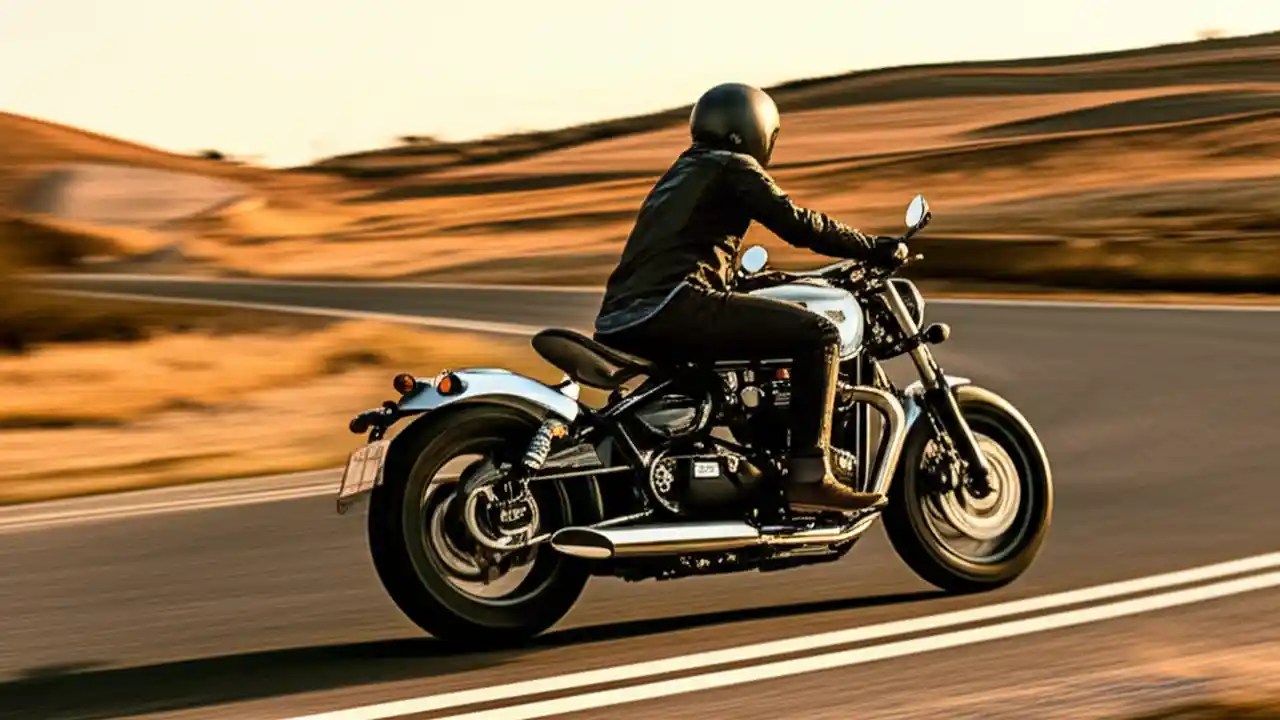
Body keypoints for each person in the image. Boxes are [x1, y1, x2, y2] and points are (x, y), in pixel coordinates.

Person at [593, 82, 906, 513]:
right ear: (757, 128)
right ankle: (810, 475)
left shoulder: (681, 173)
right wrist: (871, 247)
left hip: (626, 315)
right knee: (819, 334)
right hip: (677, 304)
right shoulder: (733, 166)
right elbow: (799, 224)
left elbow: (689, 252)